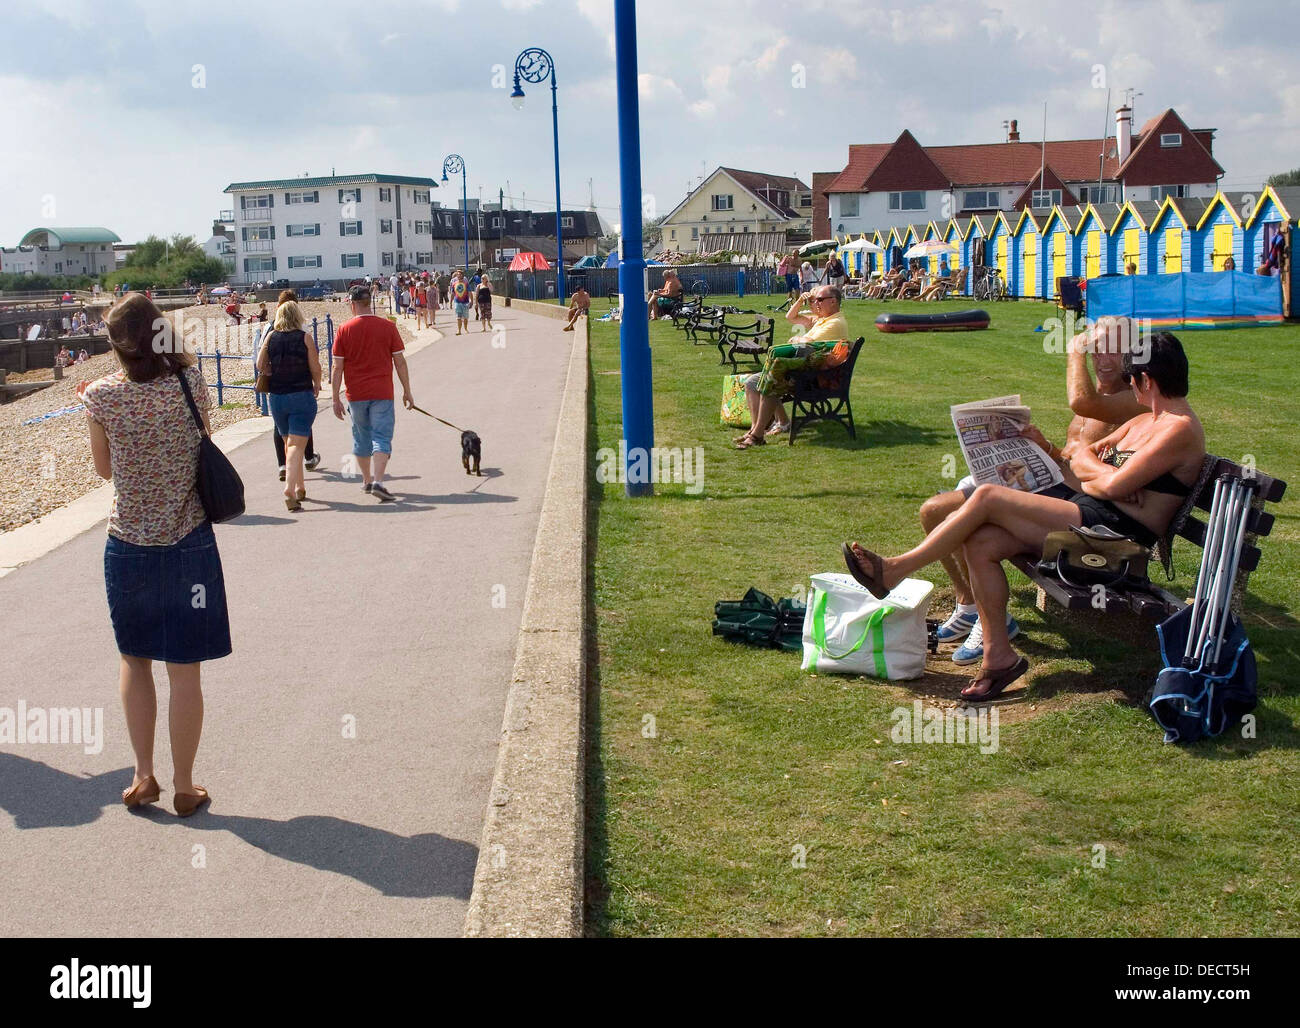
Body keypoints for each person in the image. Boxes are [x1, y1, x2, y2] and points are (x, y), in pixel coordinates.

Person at [844, 332, 1204, 701]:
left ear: (1146, 380)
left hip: (1117, 545)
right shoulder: (1147, 420)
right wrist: (1105, 475)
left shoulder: (1178, 428)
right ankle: (998, 656)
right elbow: (1080, 458)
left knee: (987, 497)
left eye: (1132, 380)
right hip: (1095, 516)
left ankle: (896, 569)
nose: (1131, 388)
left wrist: (1103, 476)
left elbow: (1101, 479)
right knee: (981, 541)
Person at [80, 292, 232, 817]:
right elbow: (201, 443)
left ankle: (143, 778)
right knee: (184, 670)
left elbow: (104, 471)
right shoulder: (190, 383)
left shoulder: (100, 396)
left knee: (134, 659)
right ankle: (185, 785)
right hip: (188, 540)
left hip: (128, 546)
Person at [923, 319, 1148, 663]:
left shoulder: (1131, 399)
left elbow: (1080, 403)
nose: (1102, 357)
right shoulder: (1104, 396)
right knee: (933, 511)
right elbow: (1073, 457)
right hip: (1055, 485)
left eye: (1114, 348)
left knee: (968, 524)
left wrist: (1074, 350)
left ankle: (987, 621)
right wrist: (1042, 447)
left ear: (1134, 352)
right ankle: (970, 606)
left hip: (1077, 507)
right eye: (1097, 347)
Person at [734, 284, 851, 449]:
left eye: (819, 299)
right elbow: (791, 317)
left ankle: (757, 435)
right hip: (808, 371)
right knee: (752, 382)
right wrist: (802, 300)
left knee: (772, 379)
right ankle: (756, 429)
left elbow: (807, 343)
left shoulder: (835, 323)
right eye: (813, 300)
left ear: (833, 301)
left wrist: (796, 339)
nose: (815, 303)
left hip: (816, 379)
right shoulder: (822, 320)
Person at [331, 284, 414, 501]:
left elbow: (337, 367)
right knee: (381, 437)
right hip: (382, 392)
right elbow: (400, 362)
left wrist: (334, 399)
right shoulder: (387, 327)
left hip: (356, 394)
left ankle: (367, 481)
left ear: (352, 303)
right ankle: (378, 481)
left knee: (361, 438)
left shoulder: (343, 329)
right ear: (370, 302)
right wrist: (407, 391)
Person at [256, 299, 321, 512]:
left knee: (289, 444)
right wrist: (318, 384)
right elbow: (315, 366)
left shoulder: (271, 336)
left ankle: (301, 487)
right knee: (296, 445)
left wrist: (269, 371)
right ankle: (290, 489)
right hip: (301, 394)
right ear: (297, 316)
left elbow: (259, 363)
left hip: (277, 397)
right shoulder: (305, 338)